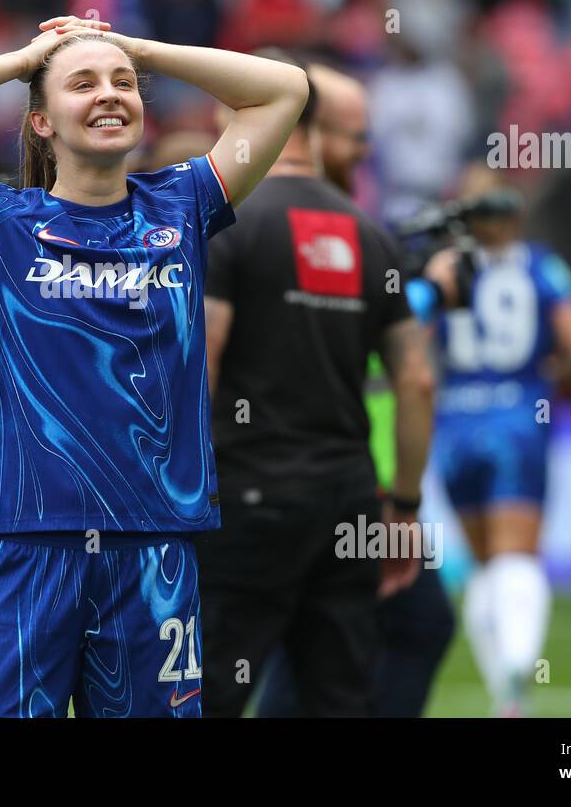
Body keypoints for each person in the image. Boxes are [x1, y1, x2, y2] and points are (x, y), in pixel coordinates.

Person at [0, 14, 309, 717]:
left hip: (154, 544)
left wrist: (133, 46)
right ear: (41, 122)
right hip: (26, 539)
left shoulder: (186, 204)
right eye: (83, 85)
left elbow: (284, 89)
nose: (109, 93)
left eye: (125, 85)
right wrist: (25, 60)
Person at [198, 55, 435, 717]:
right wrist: (406, 510)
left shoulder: (227, 224)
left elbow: (204, 358)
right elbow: (415, 380)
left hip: (244, 497)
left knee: (206, 692)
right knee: (338, 698)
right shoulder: (370, 234)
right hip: (349, 500)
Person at [423, 167, 571, 716]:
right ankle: (515, 684)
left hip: (453, 425)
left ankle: (502, 690)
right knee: (517, 557)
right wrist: (547, 368)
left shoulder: (445, 269)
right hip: (520, 422)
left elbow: (410, 340)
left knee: (484, 567)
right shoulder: (541, 267)